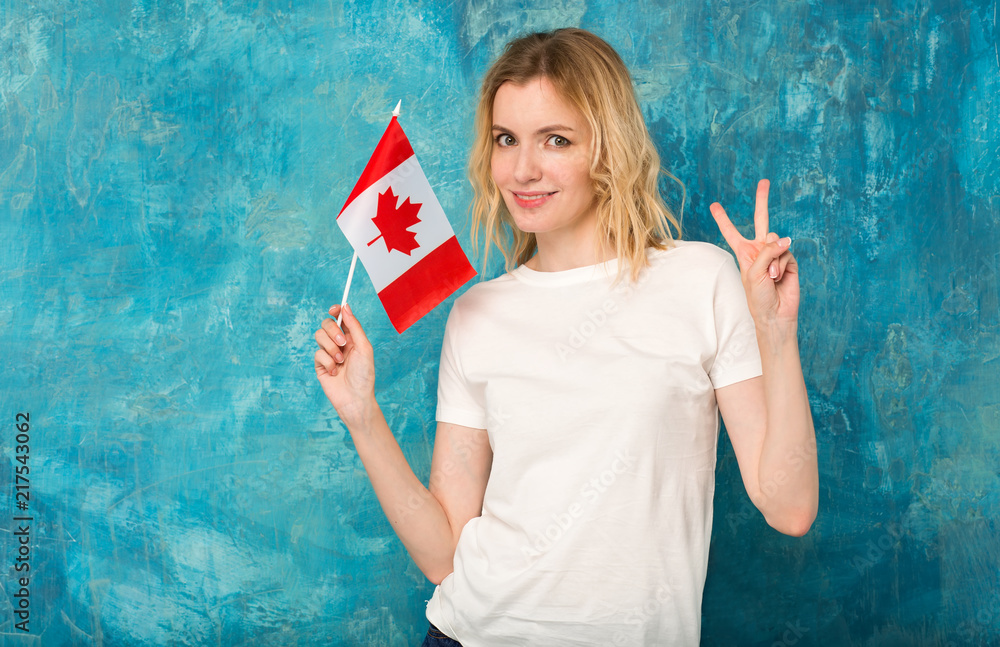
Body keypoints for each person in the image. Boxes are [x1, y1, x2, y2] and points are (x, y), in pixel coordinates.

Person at [314, 28, 818, 647]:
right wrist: (362, 415)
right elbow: (445, 555)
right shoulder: (476, 316)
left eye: (556, 140)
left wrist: (775, 331)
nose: (523, 169)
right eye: (506, 140)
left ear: (607, 150)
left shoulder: (701, 279)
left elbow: (788, 506)